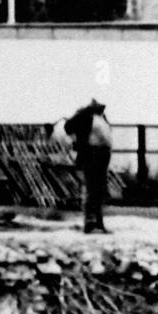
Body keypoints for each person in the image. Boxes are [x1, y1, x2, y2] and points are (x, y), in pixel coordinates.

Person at [63, 100, 113, 234]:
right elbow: (68, 127)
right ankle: (90, 223)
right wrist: (78, 142)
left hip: (102, 154)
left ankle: (98, 222)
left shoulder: (101, 118)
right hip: (91, 154)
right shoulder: (85, 116)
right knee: (92, 189)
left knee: (99, 190)